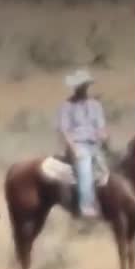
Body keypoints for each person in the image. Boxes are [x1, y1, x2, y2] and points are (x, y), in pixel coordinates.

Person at [56, 69, 109, 218]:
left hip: (95, 143)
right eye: (81, 86)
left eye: (85, 85)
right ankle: (86, 206)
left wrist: (103, 135)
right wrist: (73, 149)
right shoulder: (67, 106)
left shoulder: (95, 105)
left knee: (111, 168)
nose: (84, 88)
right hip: (78, 144)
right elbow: (64, 130)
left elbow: (101, 126)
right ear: (76, 87)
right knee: (85, 169)